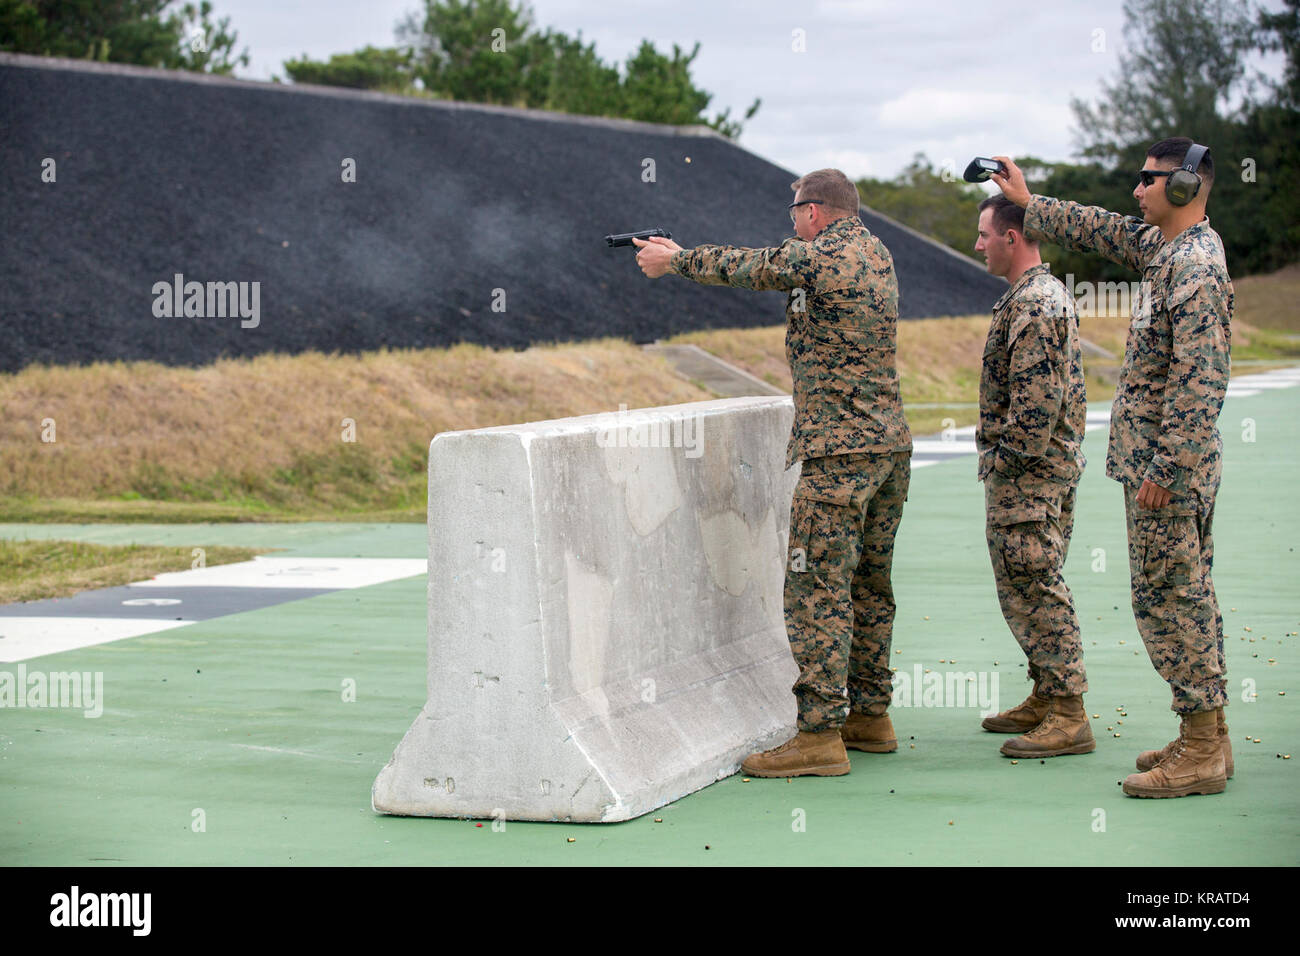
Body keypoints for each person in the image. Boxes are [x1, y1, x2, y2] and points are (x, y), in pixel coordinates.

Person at [633, 168, 912, 777]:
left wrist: (677, 260)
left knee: (817, 588)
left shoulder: (822, 254)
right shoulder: (877, 251)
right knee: (868, 585)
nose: (791, 222)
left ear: (815, 212)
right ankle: (870, 714)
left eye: (795, 212)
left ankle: (818, 735)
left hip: (840, 453)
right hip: (887, 448)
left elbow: (754, 266)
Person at [991, 139, 1233, 797]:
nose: (1137, 190)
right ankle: (1203, 733)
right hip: (1158, 463)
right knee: (1180, 594)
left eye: (1149, 181)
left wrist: (1168, 467)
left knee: (1171, 599)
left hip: (1167, 471)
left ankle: (1204, 746)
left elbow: (1200, 379)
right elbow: (1100, 230)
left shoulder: (1195, 269)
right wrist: (1029, 203)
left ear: (1184, 187)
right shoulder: (1167, 250)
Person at [972, 195, 1094, 758]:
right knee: (1025, 583)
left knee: (1036, 585)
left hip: (1031, 477)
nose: (978, 245)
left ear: (1012, 238)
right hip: (1034, 474)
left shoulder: (1037, 304)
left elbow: (1036, 412)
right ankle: (1048, 692)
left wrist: (1003, 462)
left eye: (984, 235)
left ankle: (1069, 712)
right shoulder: (1028, 298)